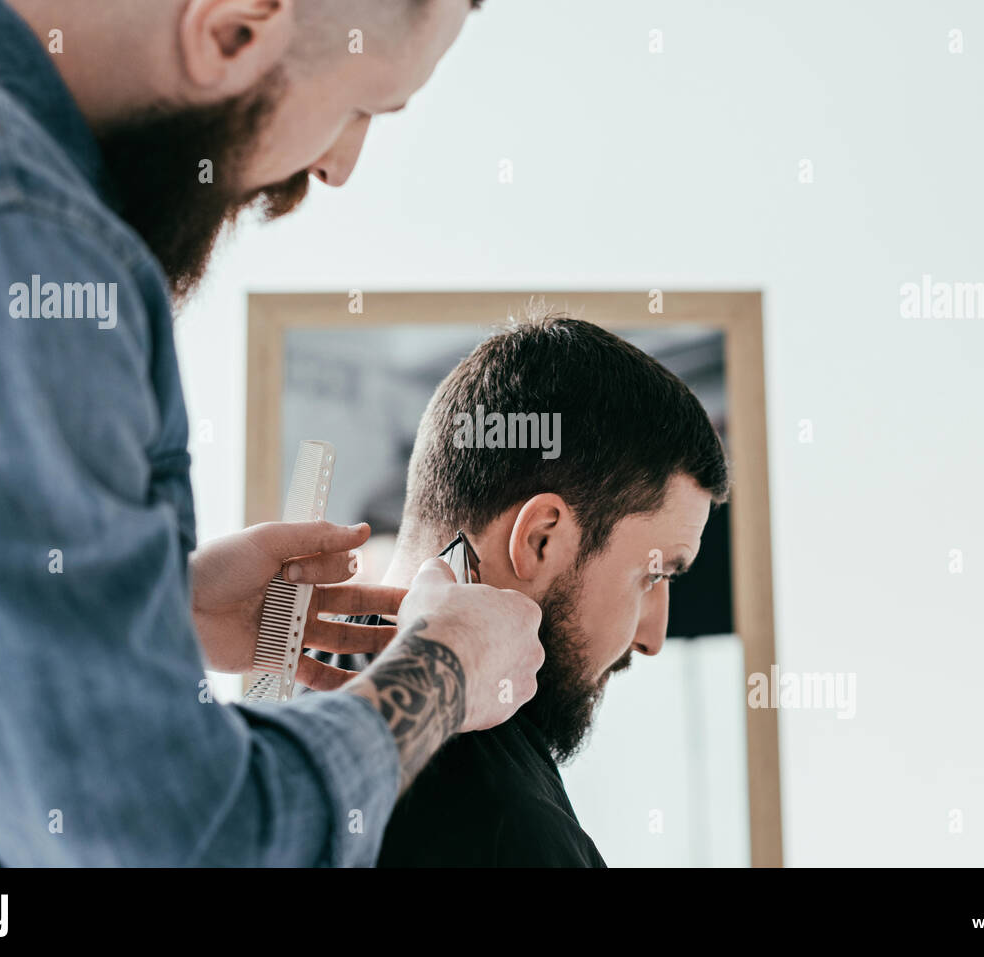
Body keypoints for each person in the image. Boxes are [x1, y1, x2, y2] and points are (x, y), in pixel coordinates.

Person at [0, 0, 543, 866]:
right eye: (364, 106)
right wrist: (443, 670)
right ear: (235, 28)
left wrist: (159, 611)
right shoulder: (1, 242)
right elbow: (191, 844)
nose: (340, 166)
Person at [309, 315, 730, 866]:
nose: (653, 637)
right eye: (654, 574)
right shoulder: (514, 833)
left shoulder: (294, 714)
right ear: (539, 539)